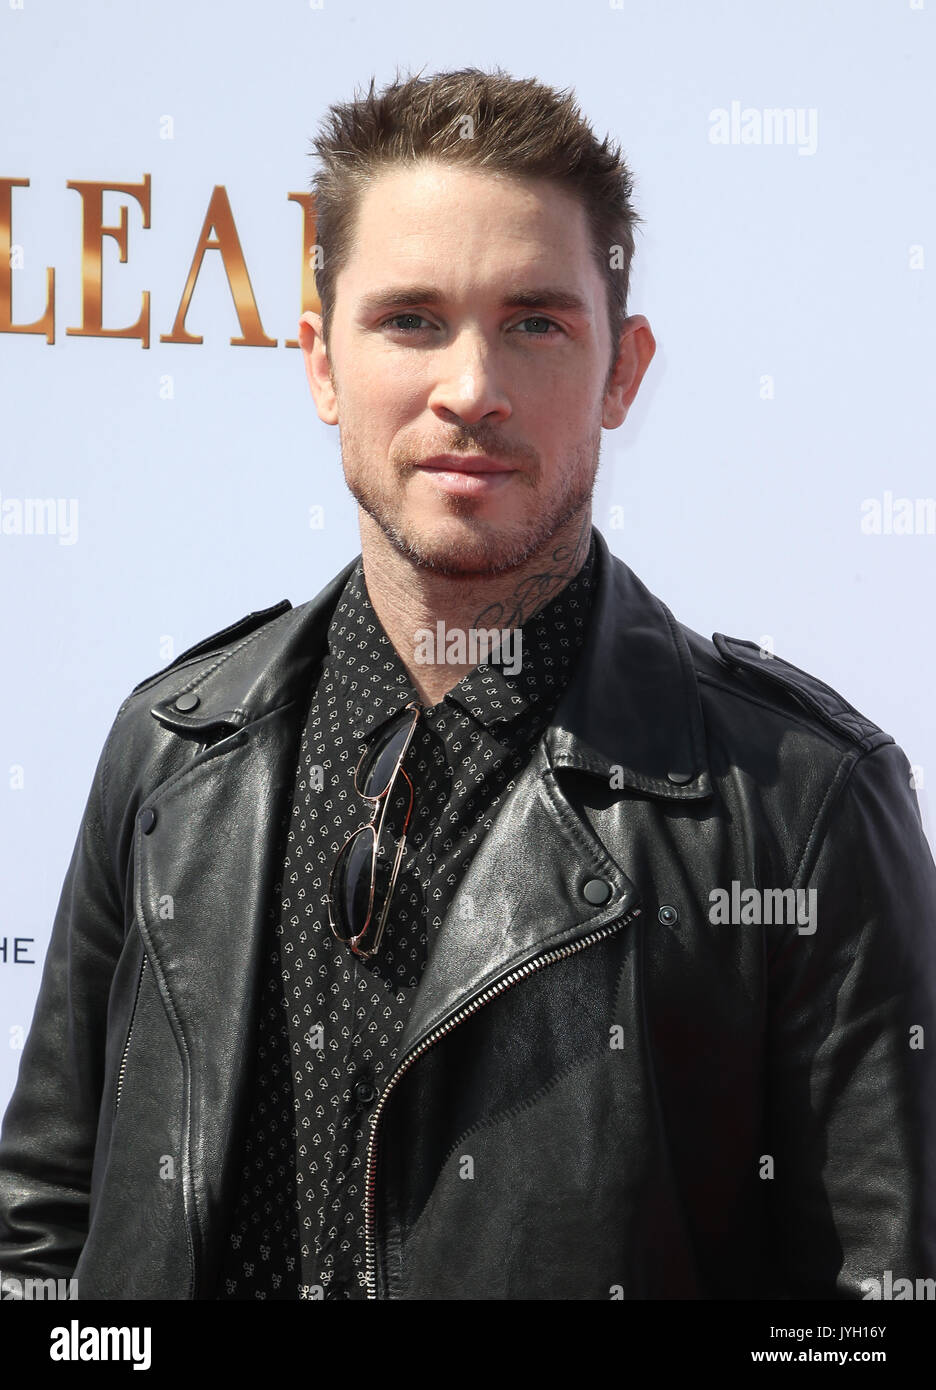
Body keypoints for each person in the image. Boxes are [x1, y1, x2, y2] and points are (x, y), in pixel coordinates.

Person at [1, 65, 934, 1302]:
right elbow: (45, 1223)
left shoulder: (802, 805)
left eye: (535, 320)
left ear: (623, 371)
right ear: (321, 362)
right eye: (412, 320)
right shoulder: (175, 747)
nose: (471, 387)